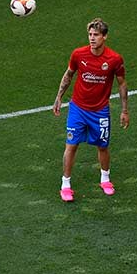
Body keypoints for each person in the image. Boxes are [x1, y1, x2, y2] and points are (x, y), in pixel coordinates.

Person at [53, 18, 130, 202]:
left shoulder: (114, 59)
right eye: (90, 34)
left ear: (105, 37)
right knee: (71, 145)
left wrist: (124, 110)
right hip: (78, 109)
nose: (92, 38)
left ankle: (105, 179)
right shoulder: (78, 54)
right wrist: (58, 97)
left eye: (96, 35)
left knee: (102, 146)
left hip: (100, 111)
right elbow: (68, 75)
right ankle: (66, 184)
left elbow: (122, 84)